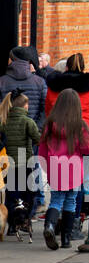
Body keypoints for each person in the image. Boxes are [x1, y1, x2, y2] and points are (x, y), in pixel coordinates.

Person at [38, 89, 89, 250]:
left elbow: (42, 149)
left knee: (56, 200)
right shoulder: (80, 125)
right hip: (74, 167)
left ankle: (49, 226)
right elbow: (86, 149)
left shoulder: (50, 124)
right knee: (71, 201)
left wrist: (47, 166)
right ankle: (66, 238)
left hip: (56, 166)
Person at [2, 92, 39, 236]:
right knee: (26, 194)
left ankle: (12, 224)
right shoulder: (27, 121)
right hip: (25, 163)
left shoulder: (4, 121)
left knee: (12, 194)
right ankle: (22, 219)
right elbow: (37, 138)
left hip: (8, 164)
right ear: (24, 106)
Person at [45, 52, 89, 134]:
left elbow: (48, 109)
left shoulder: (54, 85)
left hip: (58, 127)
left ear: (66, 67)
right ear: (82, 68)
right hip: (83, 128)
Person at [1, 46, 47, 131]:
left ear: (12, 60)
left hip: (8, 135)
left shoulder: (2, 82)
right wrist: (37, 129)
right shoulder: (40, 82)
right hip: (33, 134)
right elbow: (45, 109)